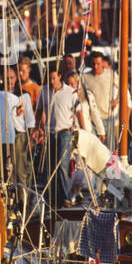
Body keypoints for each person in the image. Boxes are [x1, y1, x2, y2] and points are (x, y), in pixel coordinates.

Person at [43, 66, 85, 205]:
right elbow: (39, 112)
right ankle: (53, 198)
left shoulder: (71, 92)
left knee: (62, 165)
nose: (52, 81)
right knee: (49, 167)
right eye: (50, 79)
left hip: (65, 132)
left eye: (54, 78)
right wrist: (37, 129)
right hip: (50, 132)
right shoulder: (44, 91)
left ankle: (66, 197)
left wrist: (83, 131)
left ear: (60, 76)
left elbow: (79, 112)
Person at [81, 49, 117, 147]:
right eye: (93, 64)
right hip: (93, 120)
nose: (95, 66)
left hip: (107, 116)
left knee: (110, 148)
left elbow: (123, 87)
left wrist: (116, 100)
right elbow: (82, 99)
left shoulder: (110, 74)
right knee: (95, 149)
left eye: (98, 63)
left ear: (102, 63)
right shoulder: (85, 77)